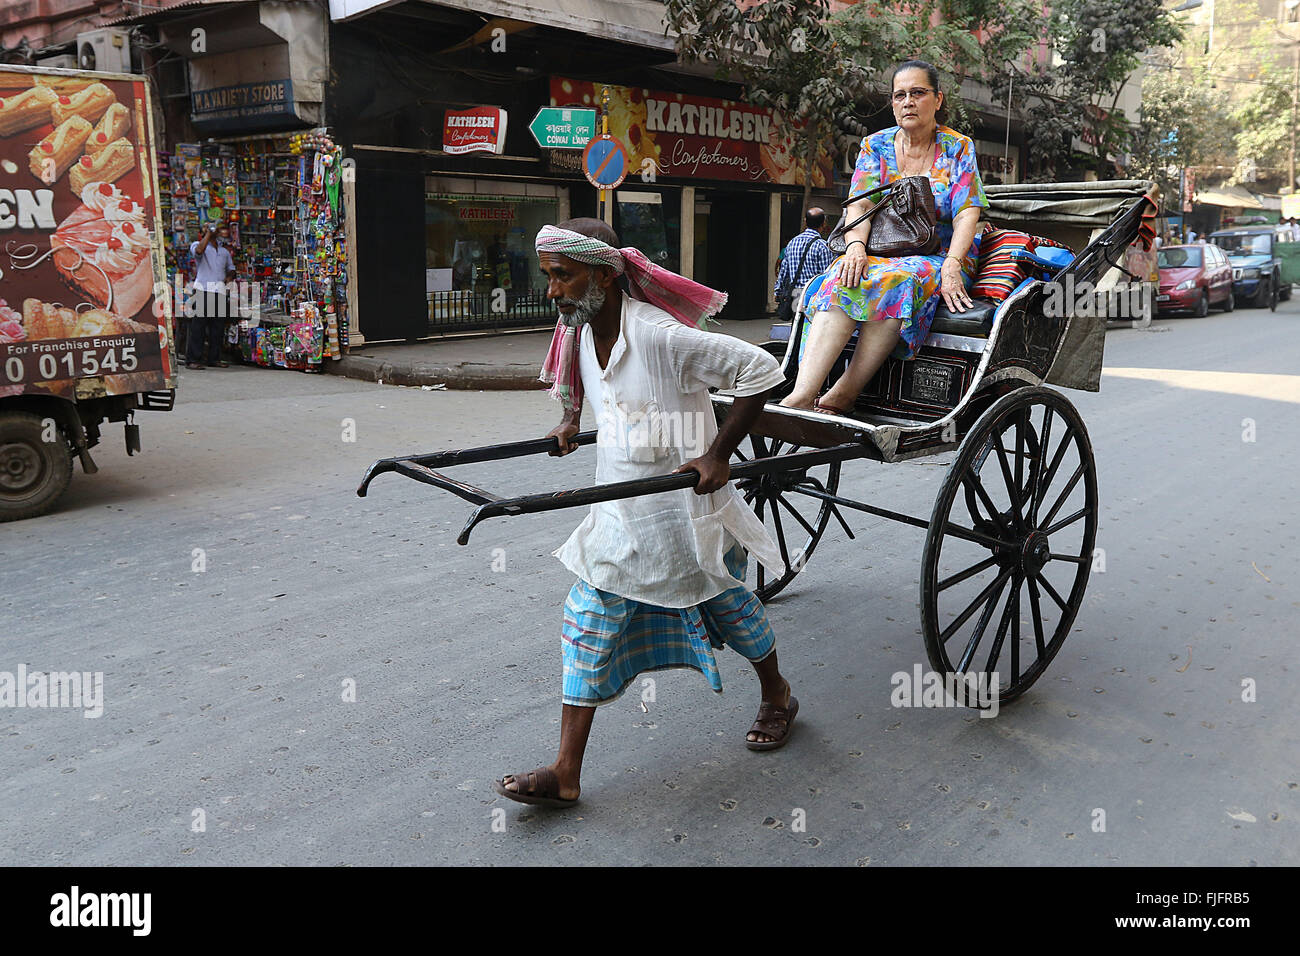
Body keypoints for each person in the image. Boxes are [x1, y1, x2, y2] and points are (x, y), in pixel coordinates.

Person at [493, 218, 796, 808]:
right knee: (585, 621)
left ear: (604, 275)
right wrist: (569, 422)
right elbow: (586, 387)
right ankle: (566, 771)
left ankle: (778, 694)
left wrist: (716, 453)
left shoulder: (658, 335)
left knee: (730, 609)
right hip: (619, 515)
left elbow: (762, 370)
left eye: (563, 277)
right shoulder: (582, 330)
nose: (552, 291)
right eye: (549, 277)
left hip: (683, 517)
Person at [780, 60, 987, 416]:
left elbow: (968, 212)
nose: (908, 102)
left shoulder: (958, 147)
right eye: (900, 95)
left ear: (937, 100)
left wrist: (953, 264)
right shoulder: (875, 146)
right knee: (839, 279)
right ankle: (803, 392)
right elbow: (859, 206)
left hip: (941, 254)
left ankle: (846, 391)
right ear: (892, 103)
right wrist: (855, 247)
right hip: (880, 250)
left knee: (895, 280)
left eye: (918, 93)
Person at [185, 217, 236, 370]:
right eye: (208, 228)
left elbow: (231, 268)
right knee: (199, 327)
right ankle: (194, 359)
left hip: (219, 290)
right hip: (203, 290)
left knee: (217, 328)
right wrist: (207, 234)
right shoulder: (198, 245)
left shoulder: (224, 251)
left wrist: (228, 278)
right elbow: (199, 251)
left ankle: (214, 358)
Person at [774, 207, 834, 305]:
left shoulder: (792, 243)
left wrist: (778, 291)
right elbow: (826, 276)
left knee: (796, 319)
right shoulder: (823, 246)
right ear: (824, 224)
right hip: (815, 296)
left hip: (796, 295)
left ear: (805, 221)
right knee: (811, 320)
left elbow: (784, 271)